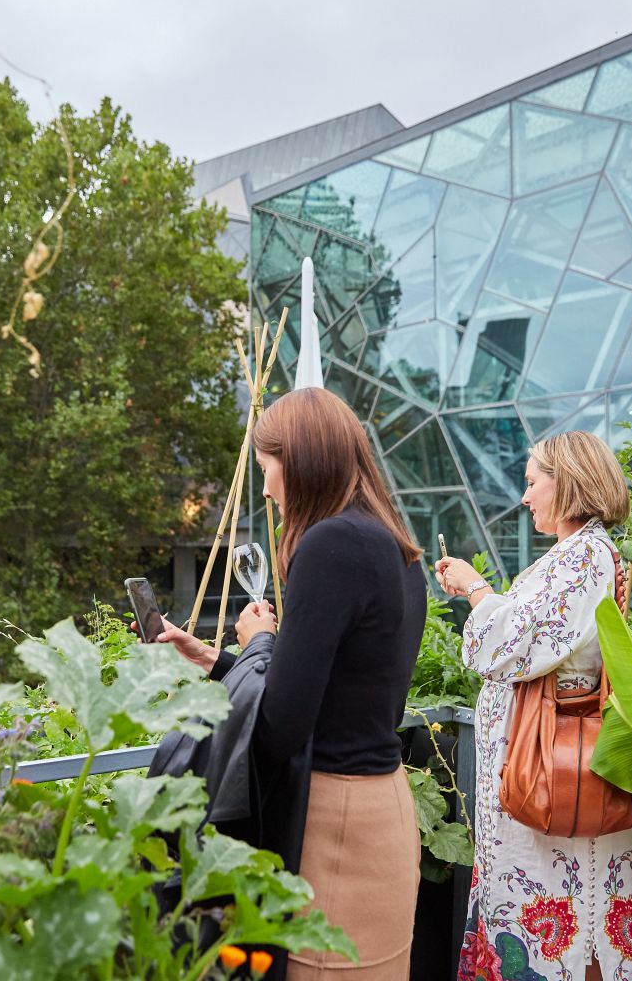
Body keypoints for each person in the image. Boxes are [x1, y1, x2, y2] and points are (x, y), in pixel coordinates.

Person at [152, 388, 427, 980]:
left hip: (335, 825)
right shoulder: (395, 547)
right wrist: (213, 658)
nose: (269, 488)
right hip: (383, 809)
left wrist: (257, 642)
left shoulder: (331, 544)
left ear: (297, 460)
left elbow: (282, 727)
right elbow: (349, 694)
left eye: (267, 468)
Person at [435, 430, 632, 981]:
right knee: (547, 901)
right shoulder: (573, 555)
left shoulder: (585, 557)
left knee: (565, 912)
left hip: (551, 765)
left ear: (567, 482)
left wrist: (477, 588)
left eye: (531, 483)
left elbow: (508, 647)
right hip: (540, 764)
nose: (524, 498)